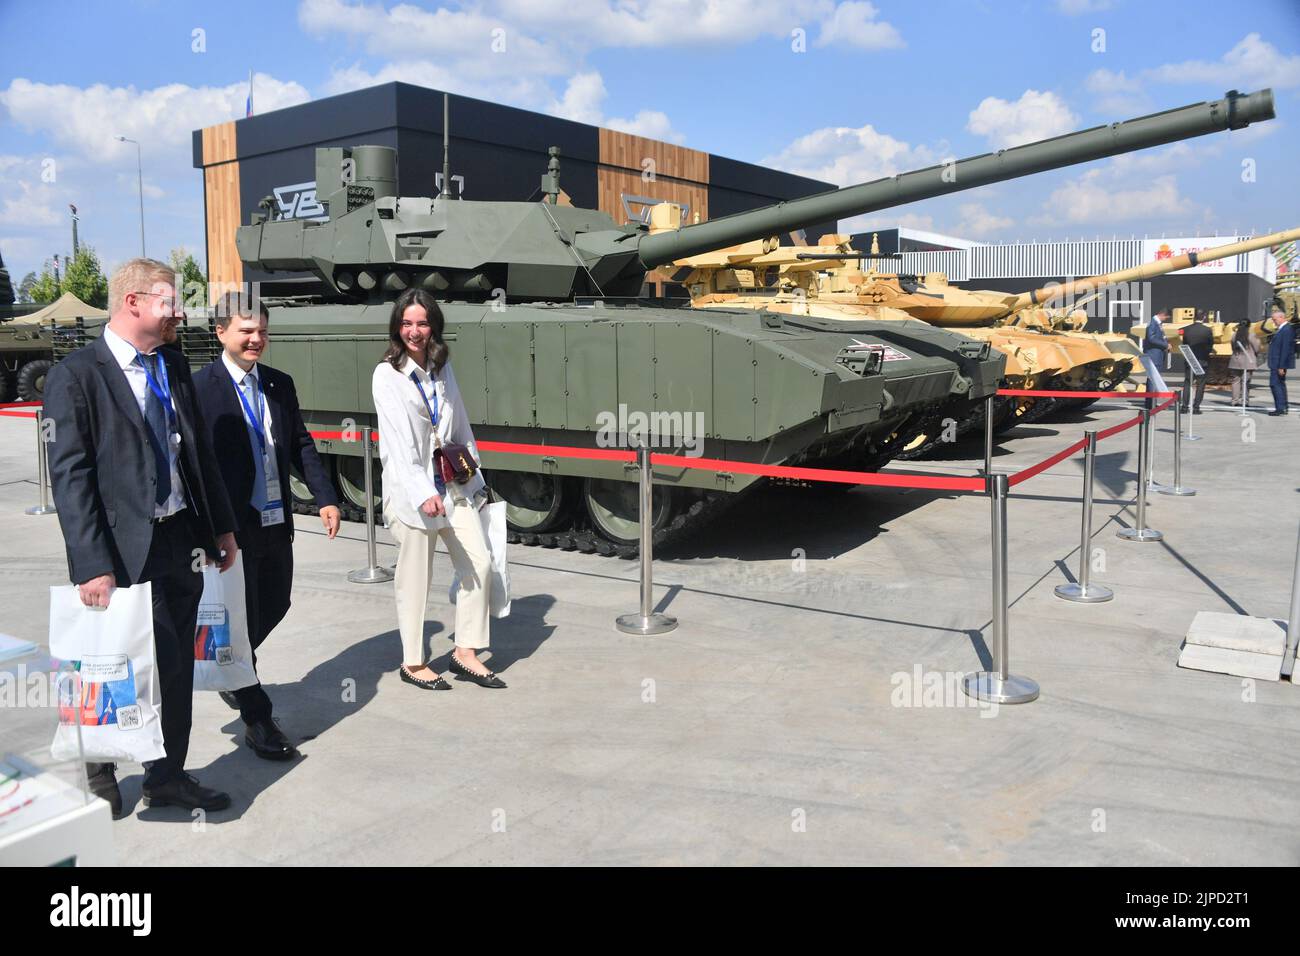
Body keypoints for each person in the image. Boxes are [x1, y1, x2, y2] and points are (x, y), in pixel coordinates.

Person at [44, 258, 239, 817]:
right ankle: (99, 773)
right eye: (170, 300)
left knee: (174, 665)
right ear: (133, 303)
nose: (179, 311)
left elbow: (197, 454)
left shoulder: (174, 366)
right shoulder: (77, 375)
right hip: (116, 550)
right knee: (107, 663)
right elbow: (71, 477)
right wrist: (90, 562)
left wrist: (220, 526)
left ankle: (167, 775)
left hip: (178, 539)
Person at [192, 293, 342, 760]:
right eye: (246, 331)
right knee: (240, 617)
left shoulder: (279, 384)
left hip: (275, 521)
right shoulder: (199, 389)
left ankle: (233, 668)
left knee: (275, 604)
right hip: (229, 529)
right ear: (220, 332)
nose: (257, 339)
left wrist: (326, 497)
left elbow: (300, 442)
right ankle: (257, 716)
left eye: (262, 331)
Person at [371, 288, 505, 691]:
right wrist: (418, 491)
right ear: (397, 327)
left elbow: (459, 421)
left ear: (434, 327)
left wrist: (474, 473)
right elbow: (395, 441)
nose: (415, 331)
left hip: (451, 483)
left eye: (423, 323)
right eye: (407, 323)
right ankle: (413, 661)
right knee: (415, 577)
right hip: (413, 489)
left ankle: (465, 651)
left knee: (478, 563)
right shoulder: (387, 374)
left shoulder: (440, 365)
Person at [1179, 310, 1214, 414]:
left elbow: (1185, 344)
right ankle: (1196, 407)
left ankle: (1184, 407)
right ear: (1203, 317)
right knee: (1200, 384)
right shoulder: (1207, 330)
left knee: (1187, 383)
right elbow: (1210, 346)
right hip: (1202, 360)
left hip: (1189, 359)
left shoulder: (1187, 329)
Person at [1266, 306, 1295, 416]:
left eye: (1275, 319)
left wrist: (1281, 366)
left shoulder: (1286, 329)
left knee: (1275, 384)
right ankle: (1283, 406)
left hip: (1278, 363)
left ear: (1282, 317)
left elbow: (1285, 349)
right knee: (1279, 384)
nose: (1274, 321)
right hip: (1277, 363)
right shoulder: (1282, 329)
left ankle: (1280, 408)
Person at [1228, 319, 1261, 407]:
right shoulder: (1251, 335)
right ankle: (1244, 401)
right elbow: (1257, 348)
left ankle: (1234, 401)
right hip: (1248, 361)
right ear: (1249, 326)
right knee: (1245, 382)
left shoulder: (1234, 335)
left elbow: (1232, 347)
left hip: (1235, 361)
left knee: (1235, 381)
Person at [1140, 310, 1171, 394]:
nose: (1165, 319)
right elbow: (1151, 338)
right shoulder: (1153, 323)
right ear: (1162, 315)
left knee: (1152, 378)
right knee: (1153, 378)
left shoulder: (1156, 323)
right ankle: (1151, 403)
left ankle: (1150, 402)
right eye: (1165, 318)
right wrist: (1165, 345)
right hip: (1154, 355)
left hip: (1156, 354)